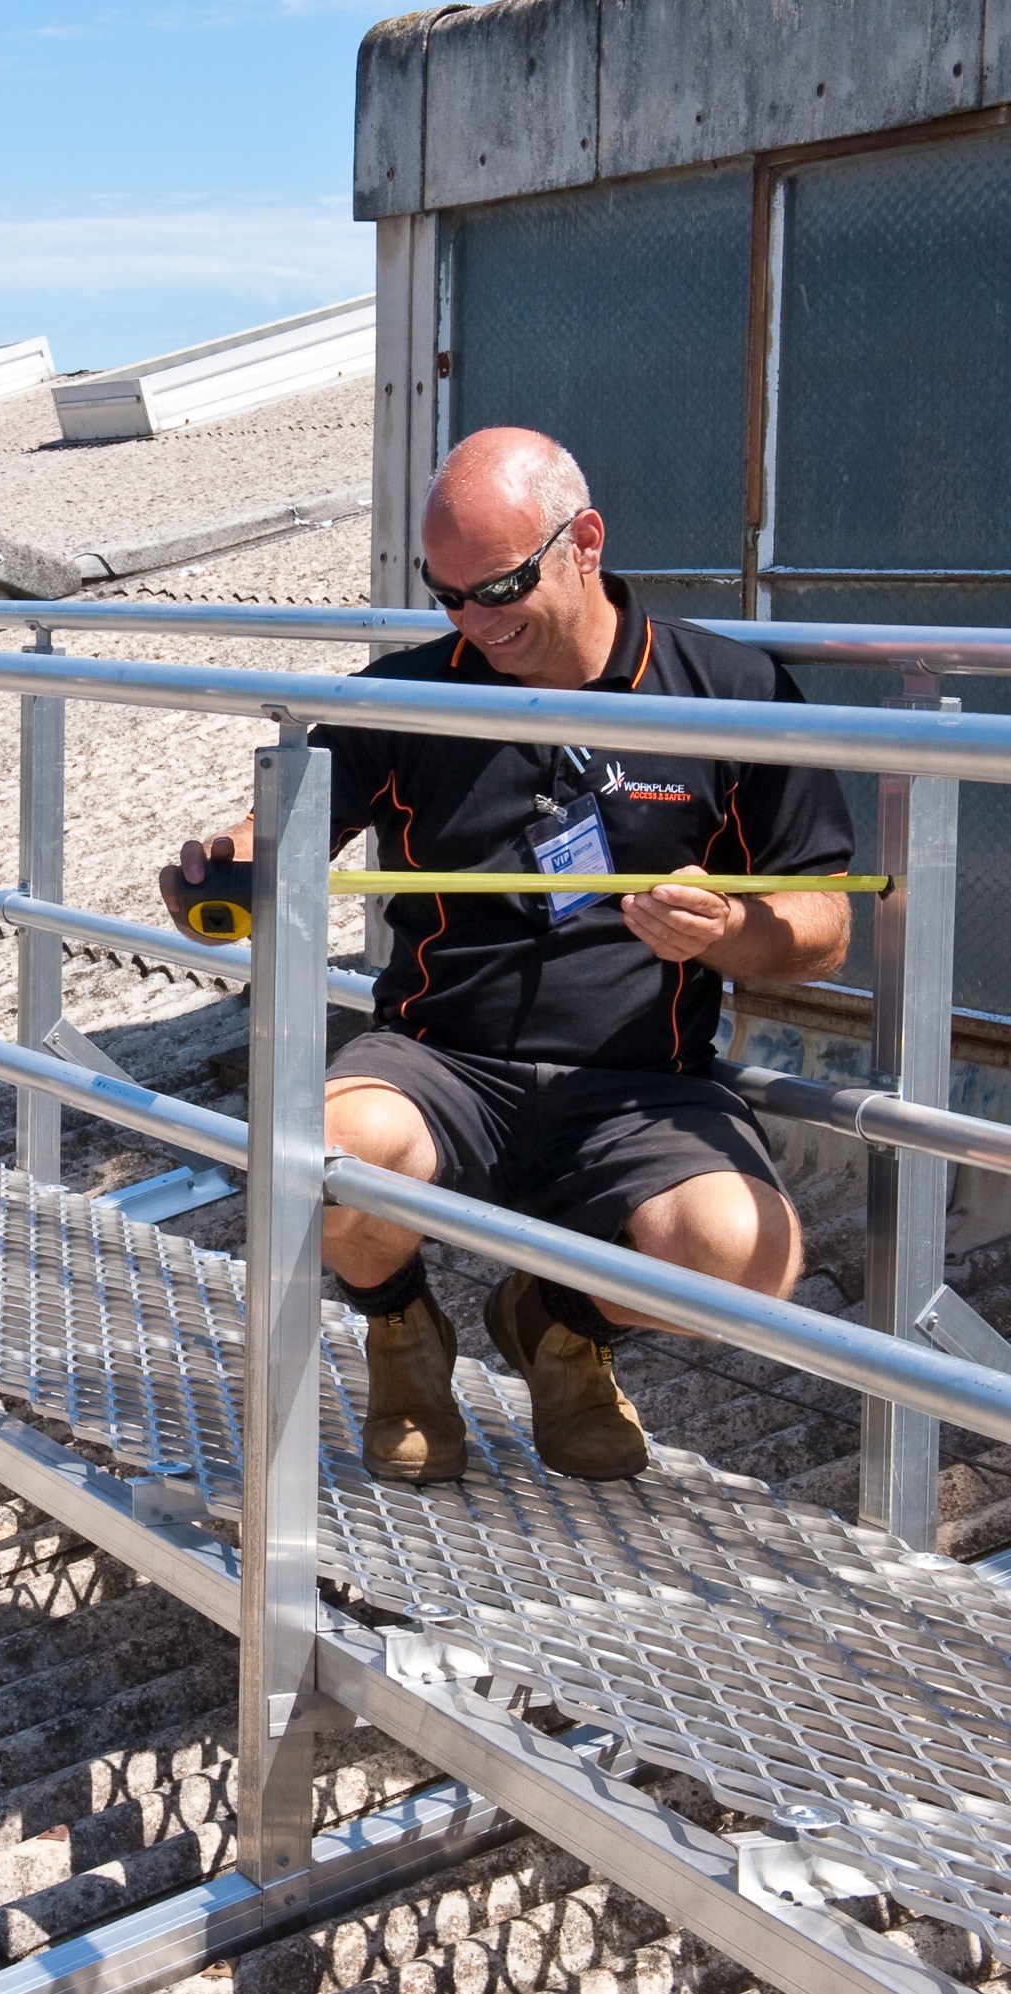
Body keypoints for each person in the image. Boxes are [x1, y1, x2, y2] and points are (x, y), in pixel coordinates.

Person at [161, 427, 855, 1484]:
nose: (473, 624)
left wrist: (732, 930)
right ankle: (399, 1331)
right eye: (447, 597)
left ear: (584, 541)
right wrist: (223, 876)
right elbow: (278, 840)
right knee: (318, 1152)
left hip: (638, 1084)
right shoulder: (405, 695)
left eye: (497, 589)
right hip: (441, 1058)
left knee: (747, 1257)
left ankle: (559, 1322)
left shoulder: (725, 690)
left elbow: (823, 922)